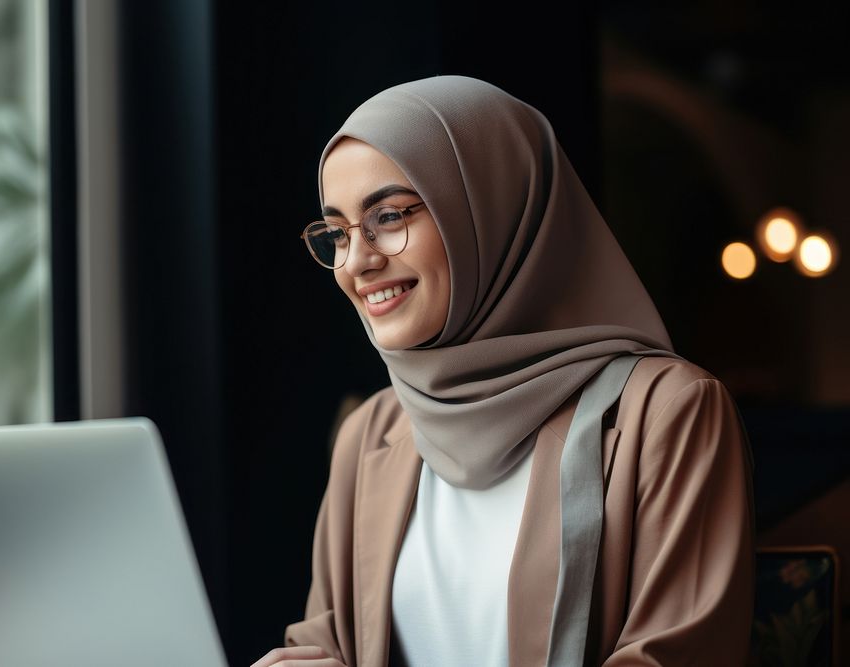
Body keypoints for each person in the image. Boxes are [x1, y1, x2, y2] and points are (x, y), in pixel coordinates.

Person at [253, 75, 755, 667]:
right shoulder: (370, 434)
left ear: (489, 207)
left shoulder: (668, 412)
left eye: (387, 216)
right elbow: (326, 641)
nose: (356, 261)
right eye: (336, 232)